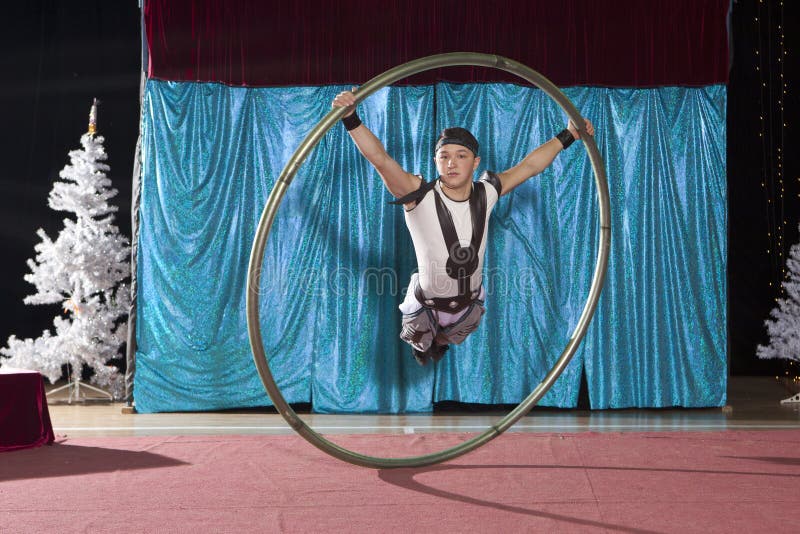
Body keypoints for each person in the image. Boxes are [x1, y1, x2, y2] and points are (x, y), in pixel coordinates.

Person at [332, 89, 595, 365]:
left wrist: (570, 135)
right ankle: (427, 345)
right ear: (435, 161)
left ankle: (440, 342)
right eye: (444, 156)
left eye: (461, 156)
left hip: (467, 308)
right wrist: (350, 118)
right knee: (421, 345)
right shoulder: (418, 194)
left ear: (475, 162)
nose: (451, 163)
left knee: (448, 340)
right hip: (425, 307)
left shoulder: (487, 191)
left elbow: (529, 166)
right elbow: (380, 160)